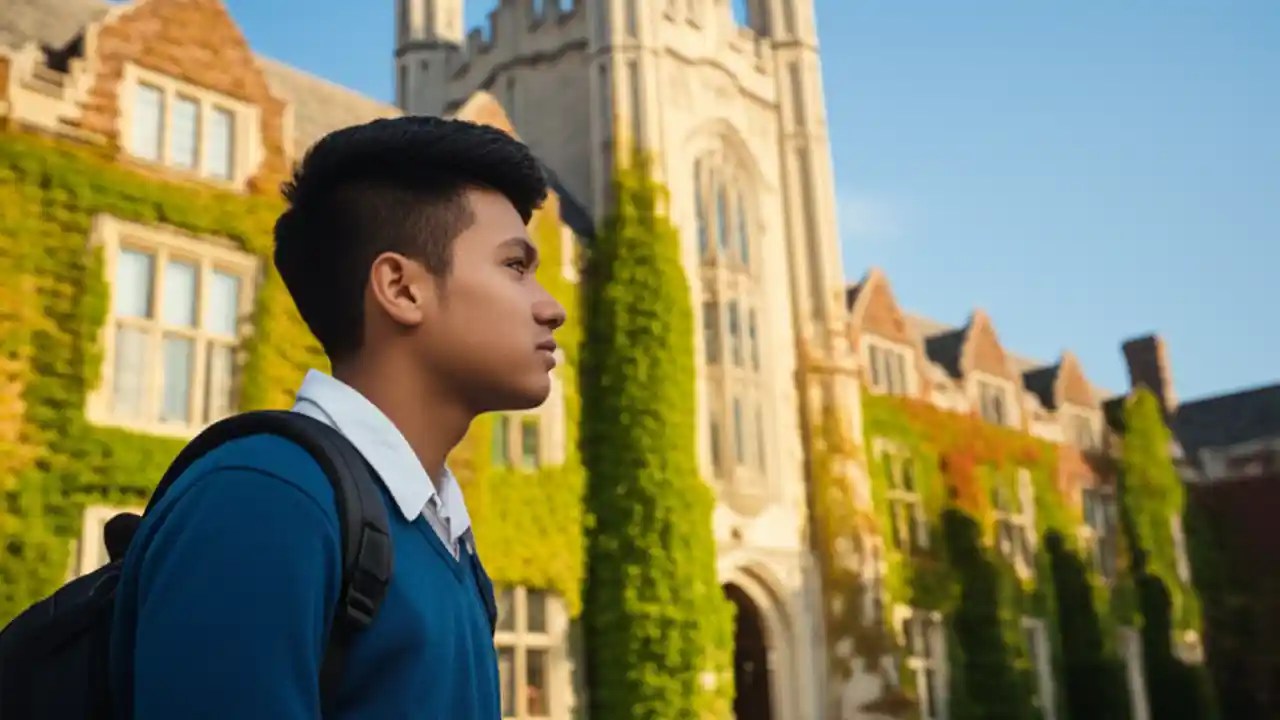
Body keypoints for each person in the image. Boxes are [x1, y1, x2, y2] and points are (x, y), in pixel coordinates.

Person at [108, 115, 566, 719]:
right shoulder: (264, 500)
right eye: (515, 267)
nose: (552, 308)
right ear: (401, 288)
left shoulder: (442, 535)